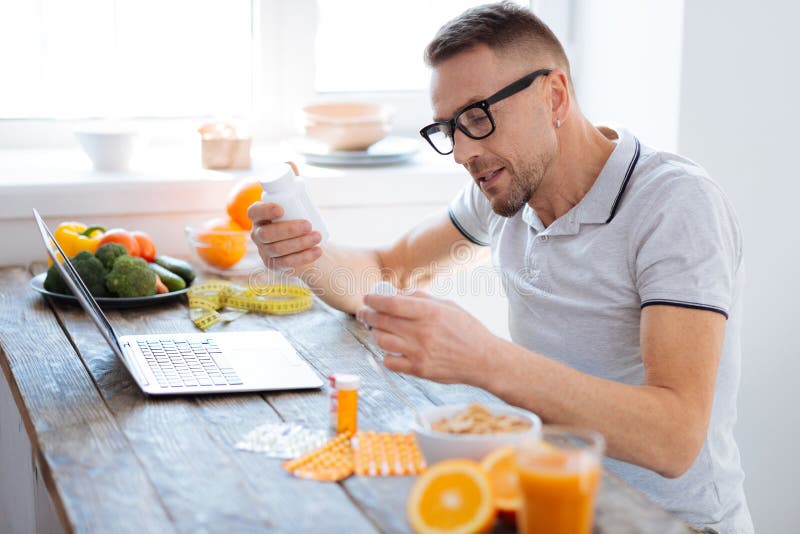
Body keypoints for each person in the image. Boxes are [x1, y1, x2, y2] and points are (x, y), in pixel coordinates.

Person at [248, 2, 752, 532]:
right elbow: (389, 270)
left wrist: (483, 359)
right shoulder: (502, 189)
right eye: (449, 128)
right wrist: (307, 253)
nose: (463, 151)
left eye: (477, 116)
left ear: (553, 95)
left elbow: (674, 437)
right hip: (540, 500)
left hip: (665, 522)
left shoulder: (675, 205)